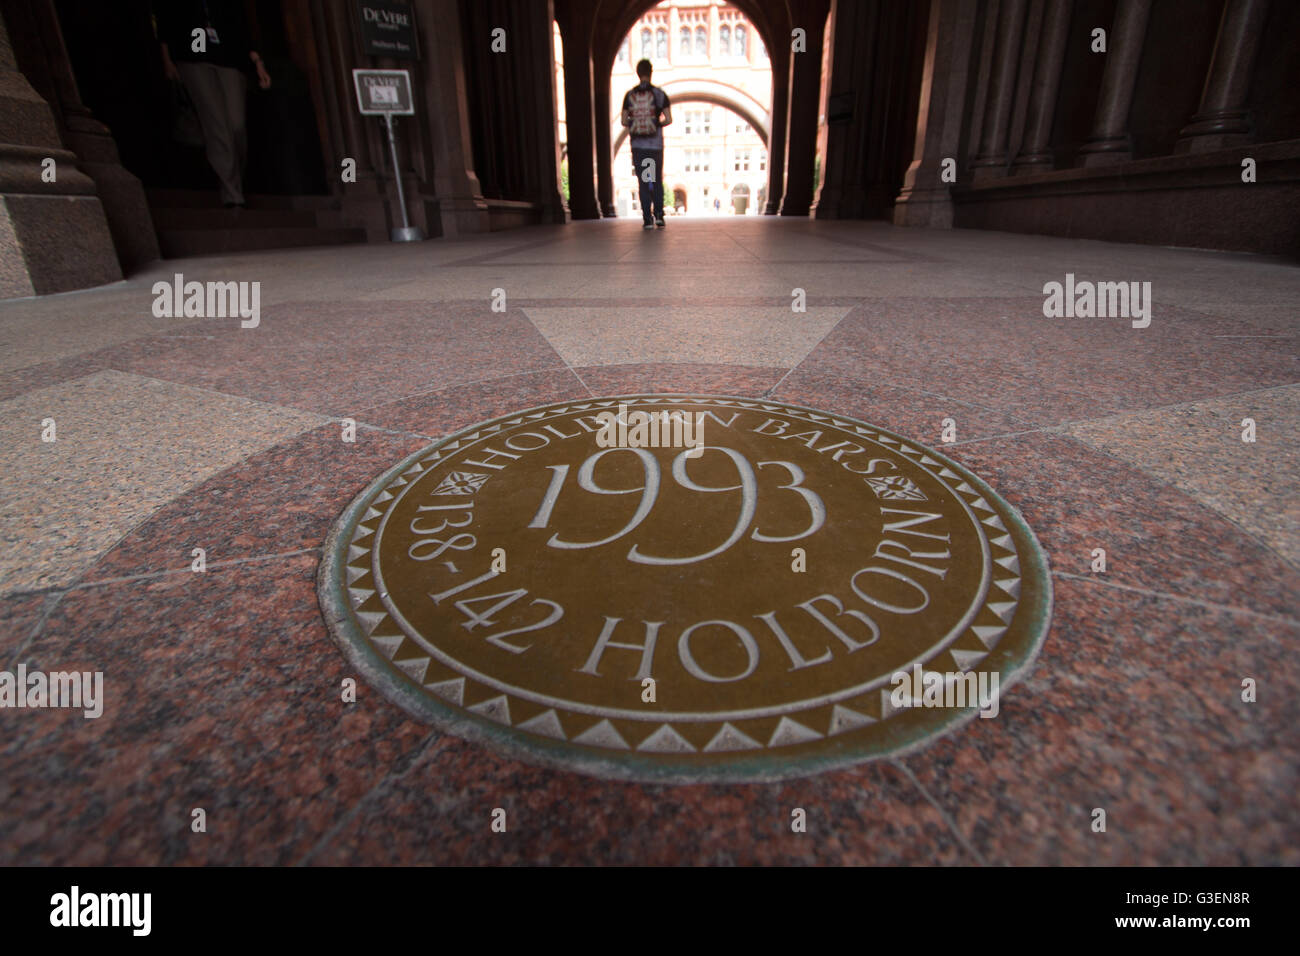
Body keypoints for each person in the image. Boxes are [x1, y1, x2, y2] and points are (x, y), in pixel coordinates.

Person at [156, 1, 272, 208]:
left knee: (237, 125)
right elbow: (166, 17)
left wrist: (257, 62)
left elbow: (241, 22)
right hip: (191, 56)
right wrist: (166, 59)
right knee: (216, 126)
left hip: (229, 56)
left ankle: (236, 181)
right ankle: (232, 193)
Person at [621, 59, 672, 230]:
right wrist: (655, 125)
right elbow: (669, 119)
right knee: (656, 180)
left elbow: (623, 121)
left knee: (644, 181)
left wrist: (636, 125)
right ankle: (659, 215)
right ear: (651, 72)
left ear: (637, 73)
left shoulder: (629, 95)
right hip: (655, 145)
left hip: (638, 146)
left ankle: (647, 219)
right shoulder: (659, 94)